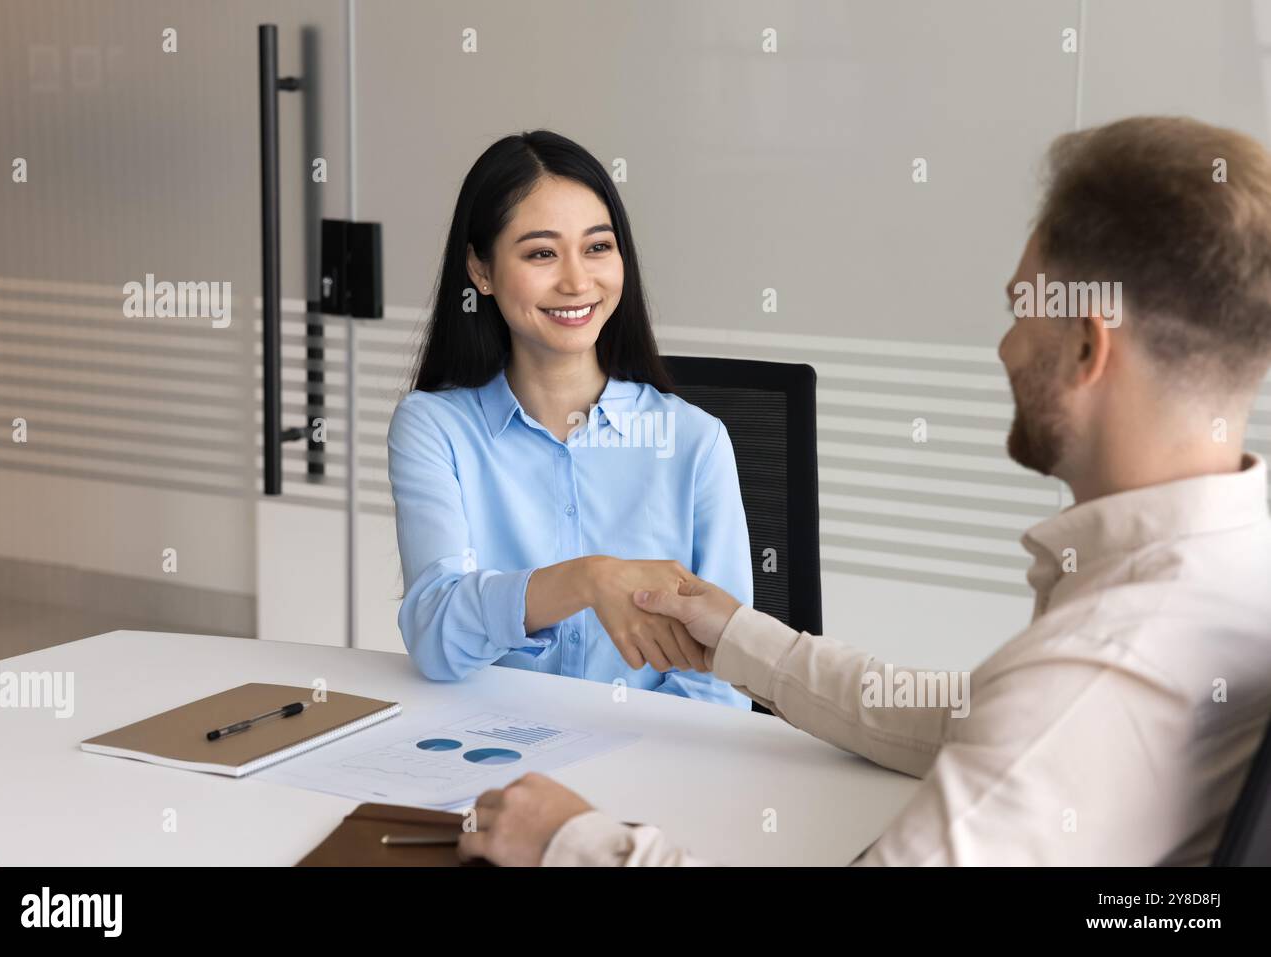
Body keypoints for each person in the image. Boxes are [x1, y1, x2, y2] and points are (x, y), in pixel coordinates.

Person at [457, 116, 1271, 866]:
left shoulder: (1096, 671)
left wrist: (572, 842)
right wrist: (741, 639)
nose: (1006, 346)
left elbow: (1036, 718)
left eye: (1021, 311)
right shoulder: (1225, 564)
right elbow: (976, 717)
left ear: (1089, 346)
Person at [387, 130, 752, 708]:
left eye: (598, 247)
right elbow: (435, 635)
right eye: (541, 253)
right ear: (481, 272)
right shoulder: (434, 427)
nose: (577, 282)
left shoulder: (693, 440)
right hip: (490, 751)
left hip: (654, 770)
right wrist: (588, 579)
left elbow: (723, 674)